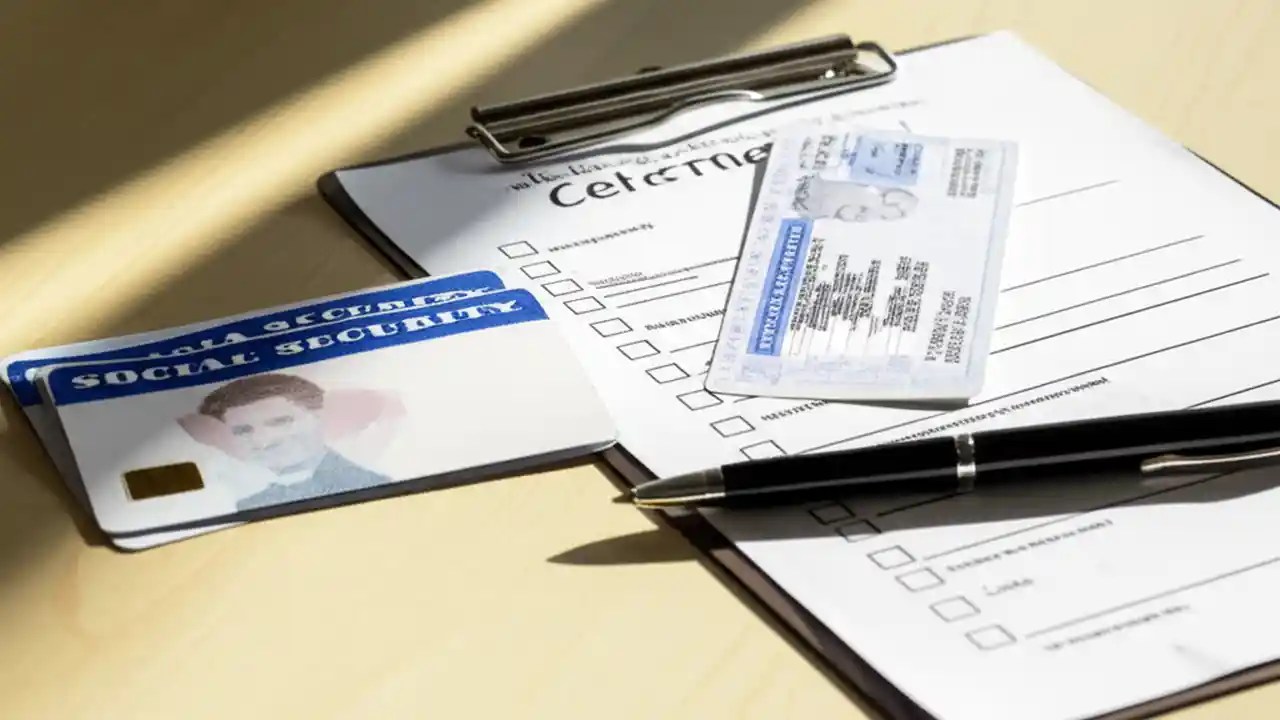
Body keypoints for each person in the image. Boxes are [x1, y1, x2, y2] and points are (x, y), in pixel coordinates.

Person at [195, 373, 391, 510]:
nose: (263, 441)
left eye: (280, 423)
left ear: (320, 418)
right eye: (243, 431)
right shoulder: (245, 501)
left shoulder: (374, 485)